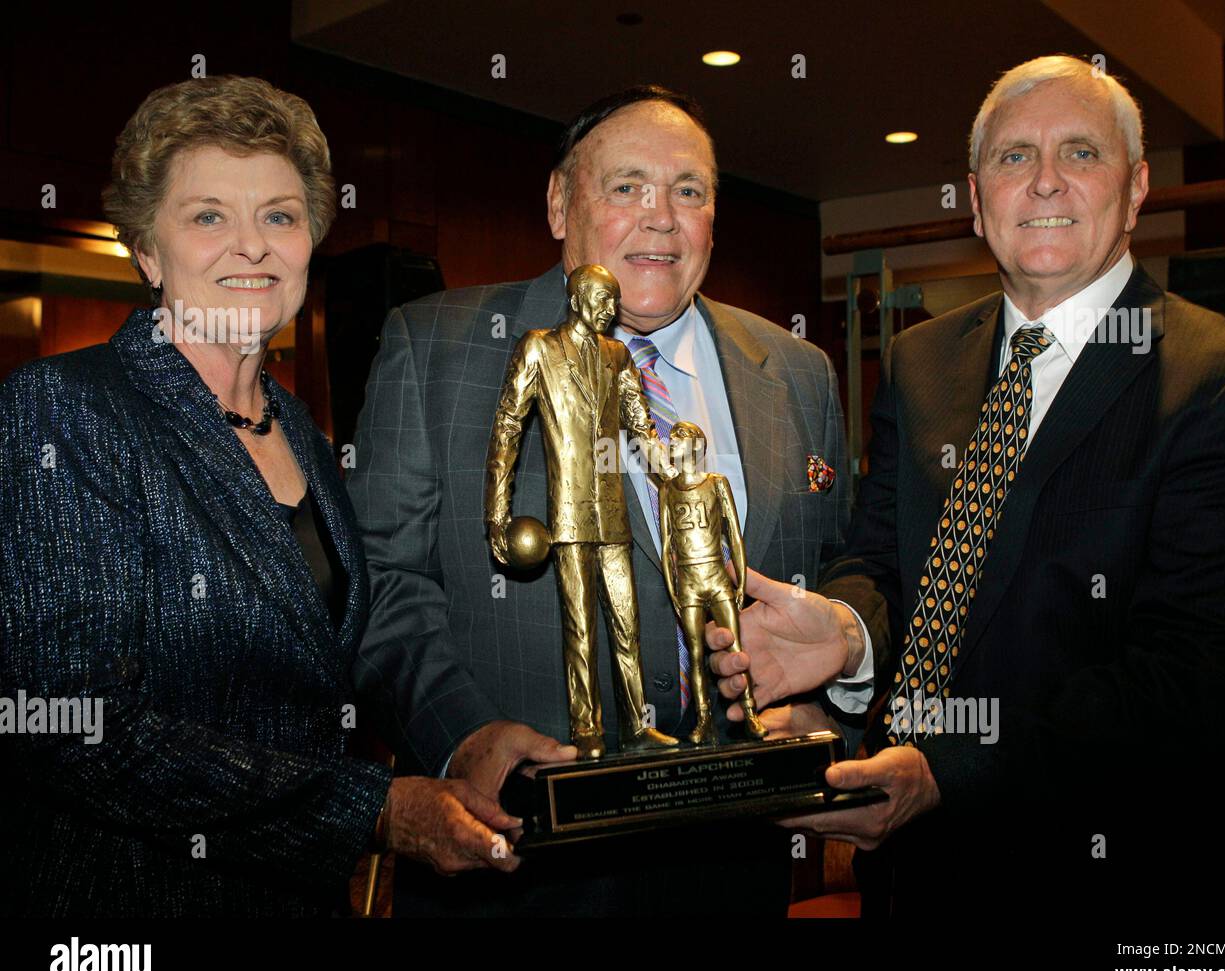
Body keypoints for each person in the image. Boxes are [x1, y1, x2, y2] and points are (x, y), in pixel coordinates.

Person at [708, 55, 1225, 919]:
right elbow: (883, 558)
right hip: (918, 881)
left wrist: (946, 767)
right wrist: (845, 634)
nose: (1047, 179)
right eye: (1015, 157)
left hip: (1135, 893)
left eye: (1081, 154)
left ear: (1136, 189)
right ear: (978, 200)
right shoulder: (918, 360)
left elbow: (1193, 681)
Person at [0, 75, 514, 918]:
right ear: (146, 250)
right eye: (209, 216)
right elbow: (66, 723)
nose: (253, 247)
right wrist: (371, 809)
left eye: (279, 215)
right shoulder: (65, 410)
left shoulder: (306, 437)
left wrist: (473, 738)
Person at [349, 84, 850, 916]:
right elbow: (381, 580)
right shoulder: (434, 345)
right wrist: (463, 737)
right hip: (519, 873)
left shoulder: (799, 371)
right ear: (558, 204)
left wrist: (827, 697)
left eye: (688, 191)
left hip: (736, 870)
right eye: (627, 187)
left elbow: (840, 572)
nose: (661, 217)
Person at [485, 264, 679, 759]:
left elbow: (643, 432)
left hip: (614, 518)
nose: (612, 310)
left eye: (614, 300)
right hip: (567, 518)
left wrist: (680, 476)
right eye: (603, 298)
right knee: (580, 629)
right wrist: (497, 516)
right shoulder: (539, 347)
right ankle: (587, 732)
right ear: (578, 297)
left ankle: (637, 727)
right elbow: (507, 429)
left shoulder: (618, 356)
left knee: (626, 625)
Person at [659, 421, 766, 743]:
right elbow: (666, 546)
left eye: (676, 439)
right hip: (688, 581)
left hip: (718, 577)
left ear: (693, 445)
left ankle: (750, 712)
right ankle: (703, 718)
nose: (670, 444)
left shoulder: (717, 483)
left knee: (735, 645)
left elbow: (733, 535)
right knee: (694, 652)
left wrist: (741, 583)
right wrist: (673, 590)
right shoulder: (667, 489)